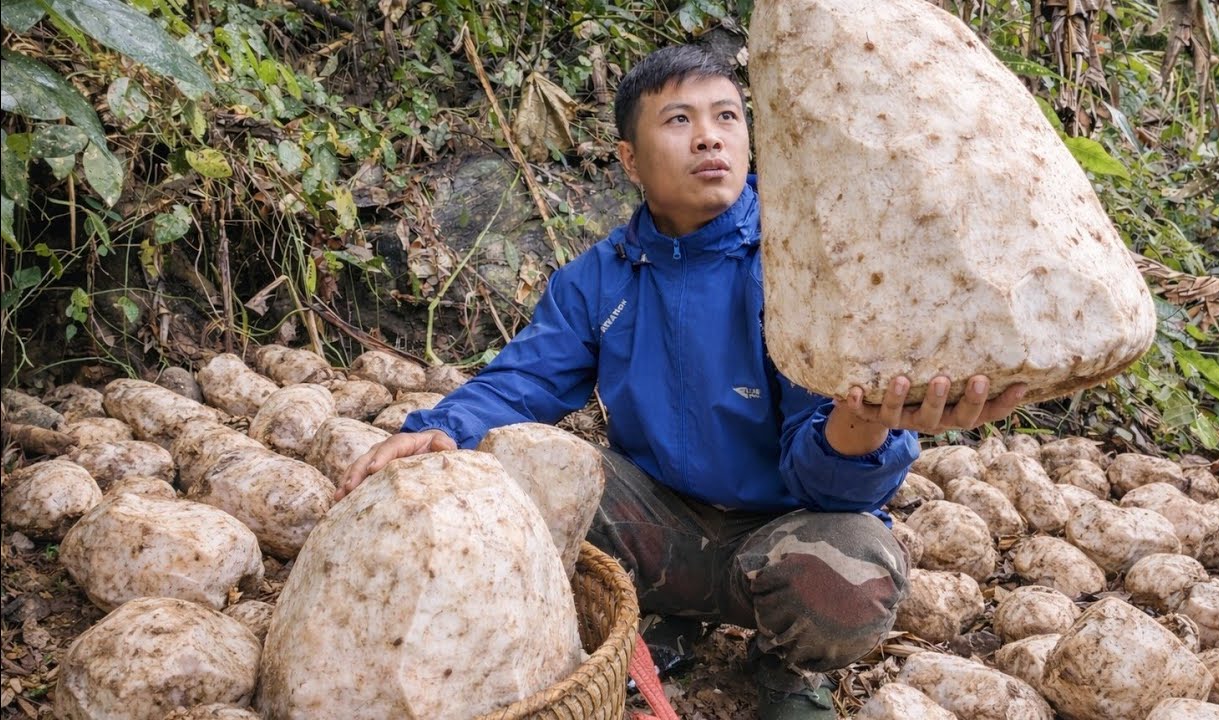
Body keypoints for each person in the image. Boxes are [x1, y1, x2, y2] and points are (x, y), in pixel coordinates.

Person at [338, 45, 1026, 720]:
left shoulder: (809, 266)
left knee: (854, 572)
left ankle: (787, 664)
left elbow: (833, 488)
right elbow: (522, 382)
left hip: (785, 529)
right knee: (515, 466)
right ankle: (657, 614)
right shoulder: (600, 278)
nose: (709, 139)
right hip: (657, 526)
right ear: (629, 161)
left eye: (727, 117)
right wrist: (434, 431)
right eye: (679, 121)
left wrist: (867, 422)